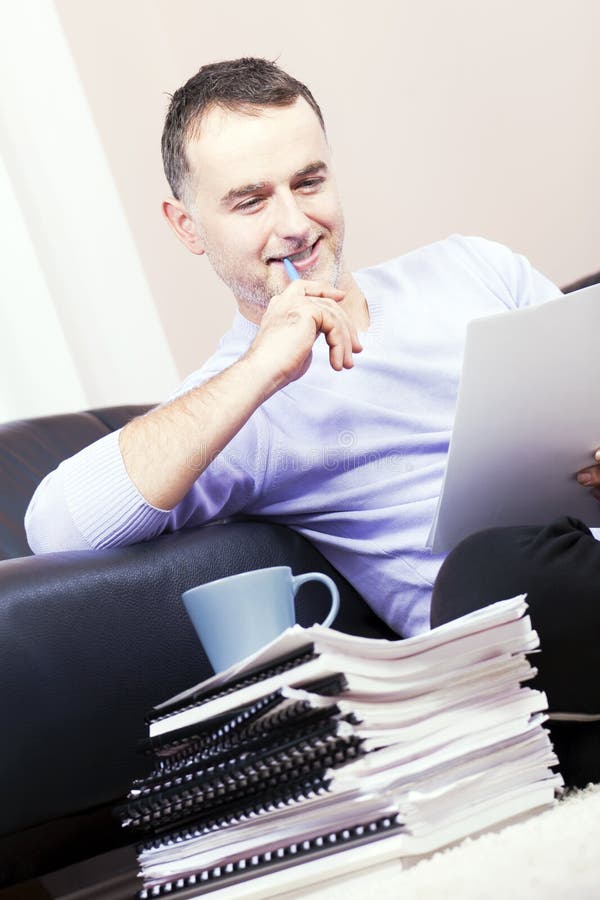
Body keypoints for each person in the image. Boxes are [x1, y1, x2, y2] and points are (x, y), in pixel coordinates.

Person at [25, 58, 600, 781]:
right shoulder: (241, 412)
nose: (296, 224)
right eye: (250, 201)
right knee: (486, 574)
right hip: (517, 636)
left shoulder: (473, 269)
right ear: (187, 226)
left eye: (309, 182)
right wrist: (263, 367)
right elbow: (57, 527)